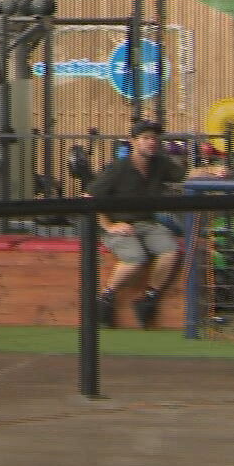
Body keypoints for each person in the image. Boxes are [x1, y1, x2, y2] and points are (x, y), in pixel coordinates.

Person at [86, 119, 190, 328]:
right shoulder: (118, 168)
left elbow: (187, 176)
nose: (151, 142)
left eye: (154, 138)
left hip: (146, 223)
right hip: (118, 225)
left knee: (171, 251)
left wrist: (213, 170)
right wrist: (109, 226)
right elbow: (89, 196)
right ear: (133, 142)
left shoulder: (160, 164)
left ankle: (148, 299)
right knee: (136, 258)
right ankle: (105, 298)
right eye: (145, 138)